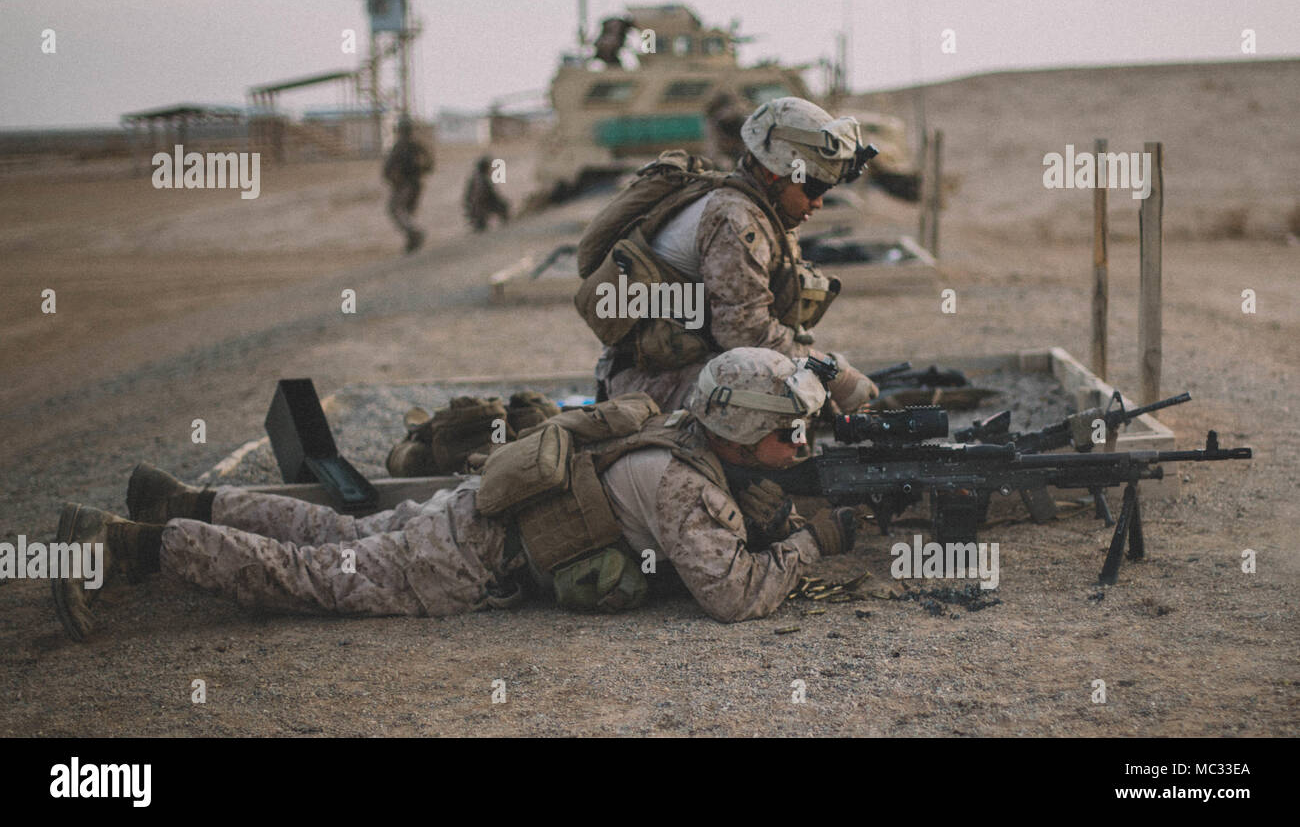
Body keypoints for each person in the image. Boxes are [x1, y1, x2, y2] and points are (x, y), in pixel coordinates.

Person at [51, 349, 858, 639]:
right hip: (466, 558)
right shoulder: (684, 485)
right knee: (311, 577)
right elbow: (732, 596)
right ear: (741, 427)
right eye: (789, 433)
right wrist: (811, 541)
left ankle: (179, 501)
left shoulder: (683, 431)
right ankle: (127, 545)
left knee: (335, 534)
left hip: (468, 515)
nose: (799, 447)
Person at [590, 96, 881, 413]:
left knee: (799, 391)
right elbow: (745, 334)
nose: (818, 202)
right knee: (772, 392)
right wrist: (833, 374)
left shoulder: (762, 210)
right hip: (646, 383)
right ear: (773, 174)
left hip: (681, 367)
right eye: (812, 188)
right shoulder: (735, 219)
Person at [381, 117, 434, 253]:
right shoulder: (417, 146)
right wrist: (422, 170)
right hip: (417, 184)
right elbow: (430, 163)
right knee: (408, 213)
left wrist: (393, 179)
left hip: (404, 185)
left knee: (396, 210)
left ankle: (414, 233)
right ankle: (412, 241)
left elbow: (387, 169)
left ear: (399, 131)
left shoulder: (398, 147)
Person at [462, 155, 510, 232]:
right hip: (479, 209)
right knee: (503, 206)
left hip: (476, 208)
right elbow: (482, 197)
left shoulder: (478, 178)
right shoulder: (481, 180)